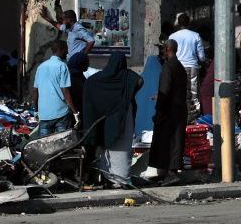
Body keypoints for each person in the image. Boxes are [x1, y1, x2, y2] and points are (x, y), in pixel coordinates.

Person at [82, 53, 143, 187]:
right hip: (122, 121)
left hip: (104, 124)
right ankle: (121, 179)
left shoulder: (97, 80)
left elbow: (88, 86)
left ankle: (107, 178)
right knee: (122, 151)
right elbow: (140, 81)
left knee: (106, 152)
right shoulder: (127, 77)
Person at [147, 39, 188, 184]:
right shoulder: (179, 66)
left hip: (169, 111)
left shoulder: (168, 67)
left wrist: (159, 111)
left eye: (162, 49)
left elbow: (165, 91)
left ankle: (170, 173)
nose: (161, 52)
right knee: (175, 141)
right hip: (178, 110)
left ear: (167, 49)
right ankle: (168, 172)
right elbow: (175, 89)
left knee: (166, 141)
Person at [32, 40, 78, 137]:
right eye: (66, 50)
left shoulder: (41, 67)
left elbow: (35, 91)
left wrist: (36, 110)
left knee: (43, 145)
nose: (67, 52)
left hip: (44, 114)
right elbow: (65, 90)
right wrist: (75, 112)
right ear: (61, 50)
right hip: (60, 113)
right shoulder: (62, 66)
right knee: (62, 144)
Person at [168, 13, 205, 122]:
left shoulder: (172, 36)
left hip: (177, 67)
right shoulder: (195, 35)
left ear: (178, 23)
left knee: (178, 92)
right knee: (193, 94)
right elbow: (201, 57)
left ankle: (178, 117)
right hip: (192, 67)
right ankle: (195, 118)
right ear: (189, 23)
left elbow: (169, 54)